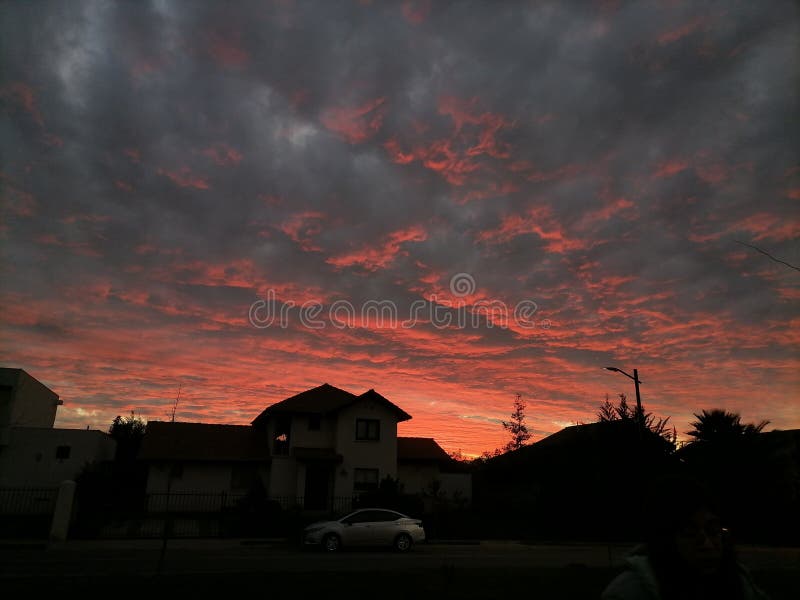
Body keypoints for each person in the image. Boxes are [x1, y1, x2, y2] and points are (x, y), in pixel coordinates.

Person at [601, 475, 771, 600]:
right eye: (690, 533)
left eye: (713, 530)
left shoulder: (740, 583)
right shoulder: (629, 592)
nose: (708, 545)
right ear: (665, 539)